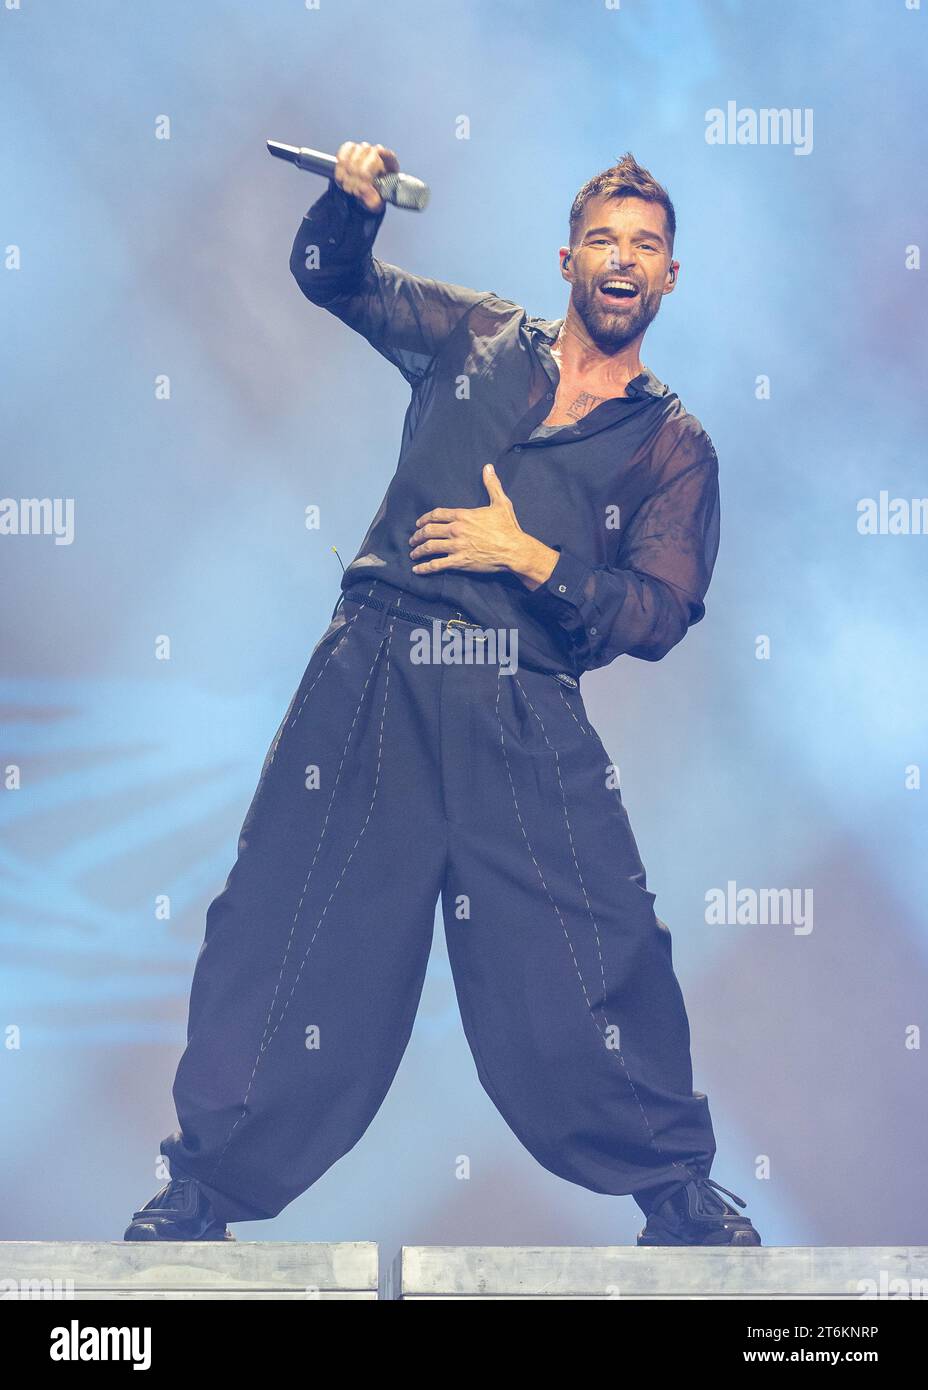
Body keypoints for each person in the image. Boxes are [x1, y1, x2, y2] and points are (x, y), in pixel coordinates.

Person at [125, 143, 760, 1248]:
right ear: (568, 258)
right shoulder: (475, 337)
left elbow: (656, 613)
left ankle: (675, 1193)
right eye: (604, 239)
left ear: (669, 280)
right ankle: (202, 1188)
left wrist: (532, 560)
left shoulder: (672, 446)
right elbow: (336, 279)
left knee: (598, 943)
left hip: (521, 704)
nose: (622, 260)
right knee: (283, 920)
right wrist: (351, 205)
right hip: (373, 673)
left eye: (645, 247)